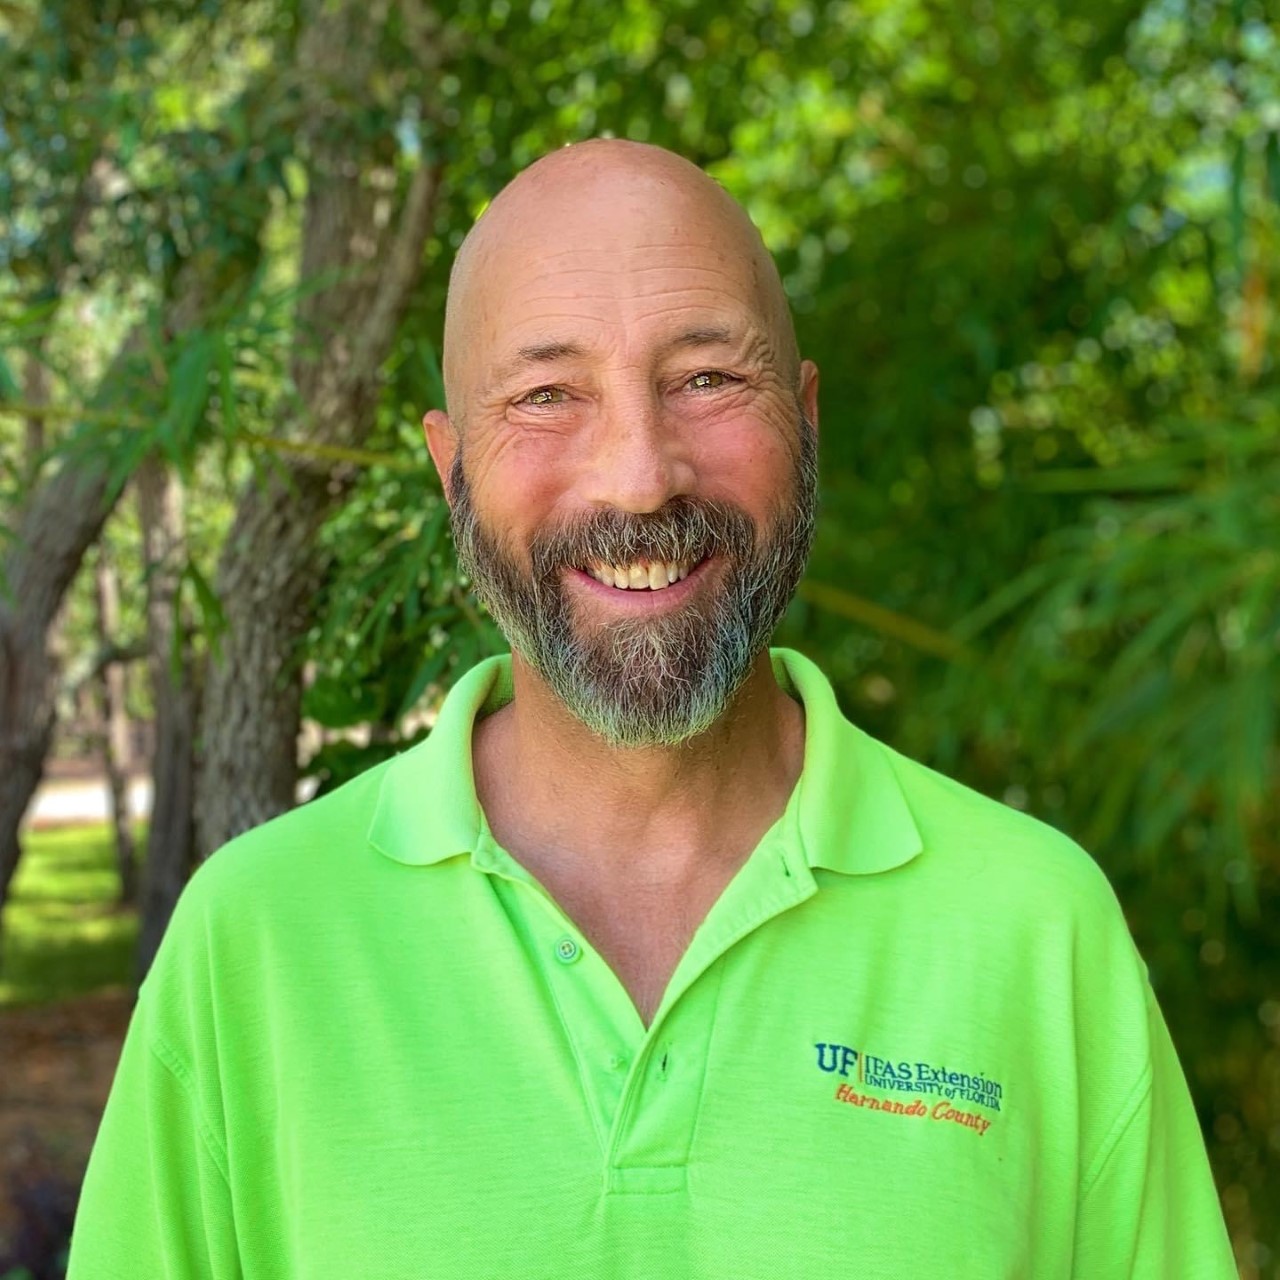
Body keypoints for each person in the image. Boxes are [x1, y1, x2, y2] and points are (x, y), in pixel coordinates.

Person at [68, 140, 1236, 1279]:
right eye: (546, 395)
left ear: (805, 420)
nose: (639, 475)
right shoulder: (255, 941)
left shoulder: (1036, 930)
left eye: (706, 379)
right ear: (450, 467)